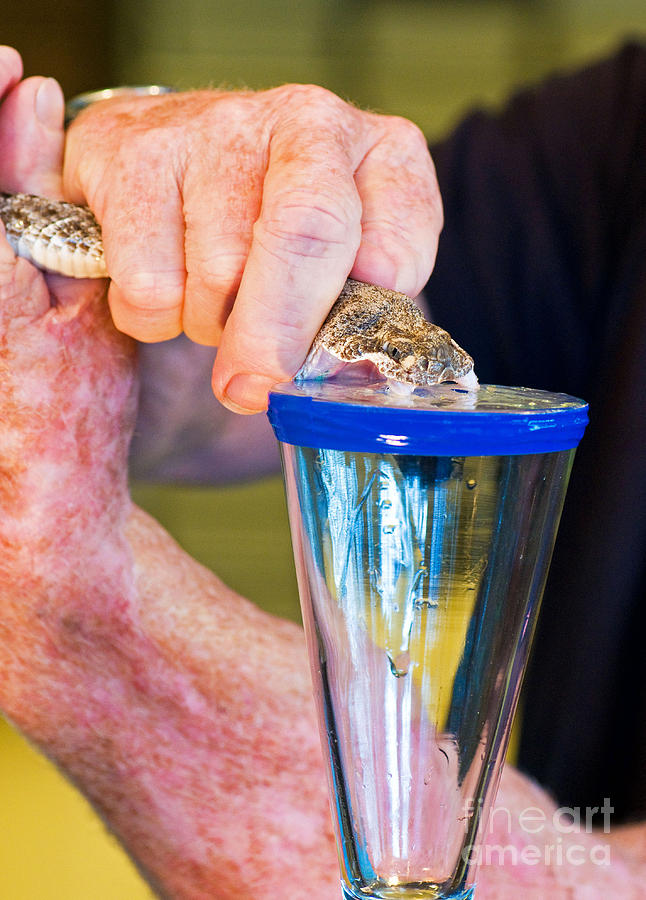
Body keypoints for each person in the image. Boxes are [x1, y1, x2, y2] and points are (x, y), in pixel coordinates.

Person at [1, 40, 645, 898]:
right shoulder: (618, 126)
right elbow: (286, 338)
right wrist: (142, 175)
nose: (440, 396)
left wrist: (72, 592)